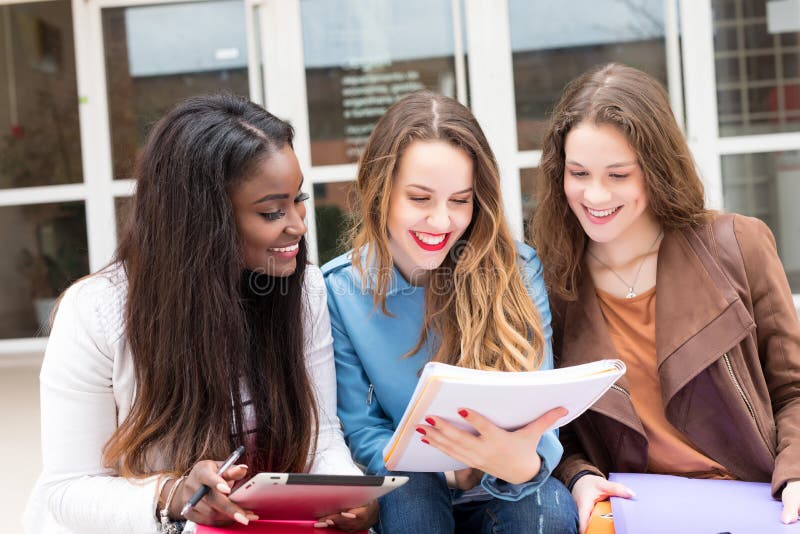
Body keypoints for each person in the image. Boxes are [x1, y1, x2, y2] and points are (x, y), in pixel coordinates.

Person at [24, 94, 376, 534]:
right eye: (271, 211)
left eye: (298, 199)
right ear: (204, 220)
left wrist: (343, 491)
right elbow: (69, 490)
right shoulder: (97, 312)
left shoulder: (301, 289)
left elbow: (320, 432)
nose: (299, 225)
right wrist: (173, 496)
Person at [532, 63, 800, 533]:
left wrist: (796, 474)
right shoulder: (552, 286)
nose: (595, 194)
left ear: (656, 169)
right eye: (579, 173)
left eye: (618, 174)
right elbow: (553, 429)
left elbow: (794, 390)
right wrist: (578, 478)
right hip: (636, 511)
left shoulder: (738, 245)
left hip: (757, 502)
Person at [323, 91, 578, 533]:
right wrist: (447, 469)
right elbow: (361, 429)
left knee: (549, 509)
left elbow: (542, 414)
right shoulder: (340, 289)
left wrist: (513, 462)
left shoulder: (518, 269)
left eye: (460, 201)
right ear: (380, 191)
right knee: (409, 493)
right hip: (413, 482)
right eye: (420, 199)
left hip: (508, 481)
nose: (441, 222)